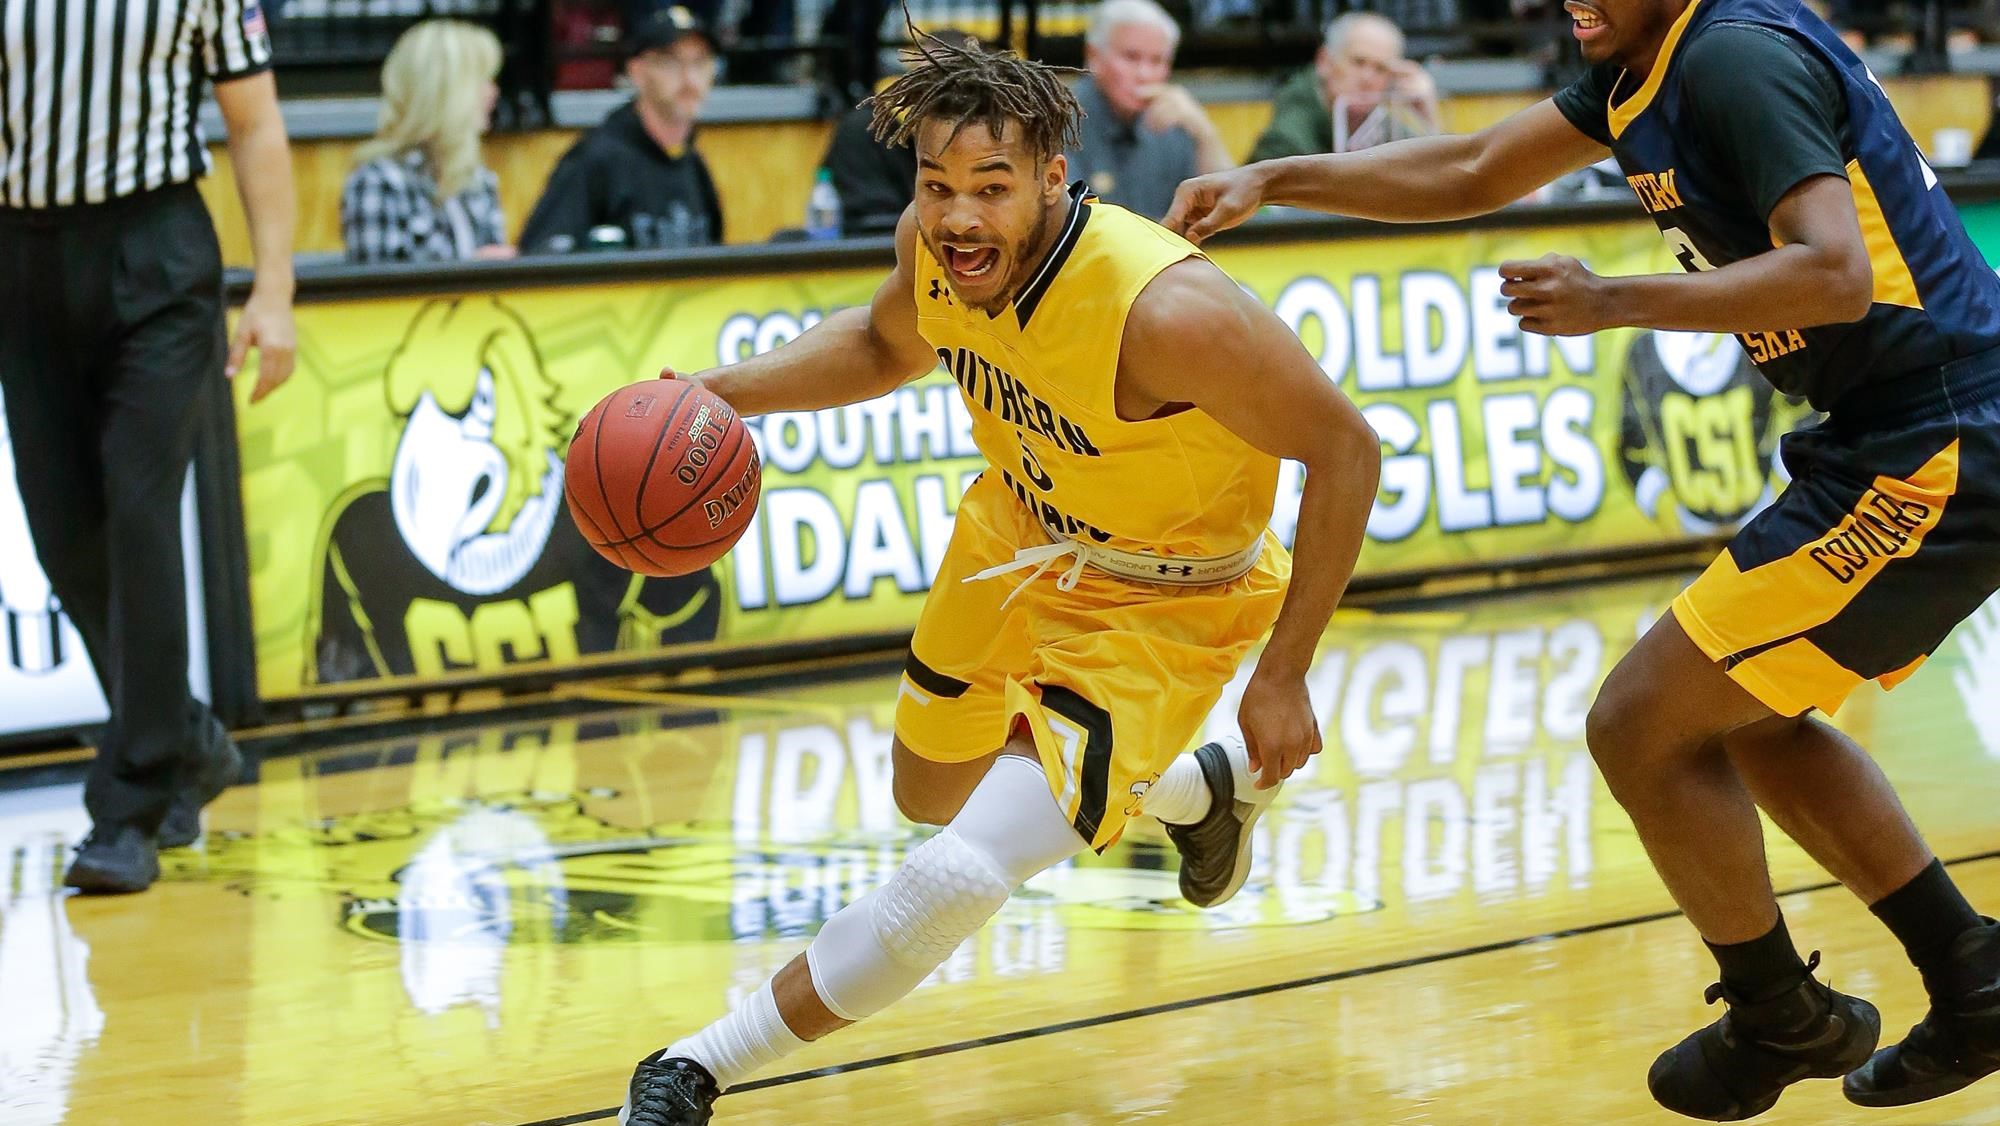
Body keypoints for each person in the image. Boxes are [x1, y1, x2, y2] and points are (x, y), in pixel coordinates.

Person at [1169, 0, 2000, 1117]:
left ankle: (1776, 1011)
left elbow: (1831, 274)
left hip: (1933, 440)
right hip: (1885, 433)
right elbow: (1469, 164)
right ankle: (1969, 977)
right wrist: (1276, 181)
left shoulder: (1731, 59)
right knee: (1738, 715)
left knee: (1639, 721)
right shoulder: (1642, 68)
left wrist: (1613, 301)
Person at [616, 33, 1380, 1125]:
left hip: (1166, 599)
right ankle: (1196, 794)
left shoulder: (1164, 311)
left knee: (962, 865)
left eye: (990, 187)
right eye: (937, 187)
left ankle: (692, 1069)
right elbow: (884, 346)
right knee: (928, 791)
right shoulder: (933, 253)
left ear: (1052, 180)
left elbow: (1347, 449)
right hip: (1018, 539)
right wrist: (716, 391)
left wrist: (1285, 671)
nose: (958, 216)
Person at [0, 0, 297, 893]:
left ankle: (127, 807)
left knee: (138, 508)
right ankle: (186, 740)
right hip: (21, 255)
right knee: (63, 532)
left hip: (156, 255)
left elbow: (253, 121)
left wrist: (274, 288)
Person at [519, 5, 724, 253]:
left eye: (700, 62)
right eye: (671, 62)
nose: (690, 79)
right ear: (636, 71)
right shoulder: (596, 159)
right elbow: (543, 253)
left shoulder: (693, 164)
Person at [342, 20, 514, 264]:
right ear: (447, 90)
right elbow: (379, 294)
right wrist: (470, 272)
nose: (493, 91)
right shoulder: (379, 182)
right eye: (482, 80)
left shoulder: (478, 179)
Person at [1065, 0, 1234, 221]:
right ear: (1094, 56)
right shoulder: (1059, 121)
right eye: (1131, 57)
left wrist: (1205, 134)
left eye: (1157, 61)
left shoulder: (1175, 123)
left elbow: (1232, 217)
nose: (1144, 74)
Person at [817, 28, 982, 237]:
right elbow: (873, 225)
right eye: (922, 77)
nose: (930, 90)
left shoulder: (985, 137)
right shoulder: (864, 129)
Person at [1248, 11, 1439, 162]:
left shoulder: (1376, 122)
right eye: (1358, 62)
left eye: (1381, 68)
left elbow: (1438, 182)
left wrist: (1428, 117)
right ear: (1324, 62)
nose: (1367, 78)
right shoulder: (1288, 137)